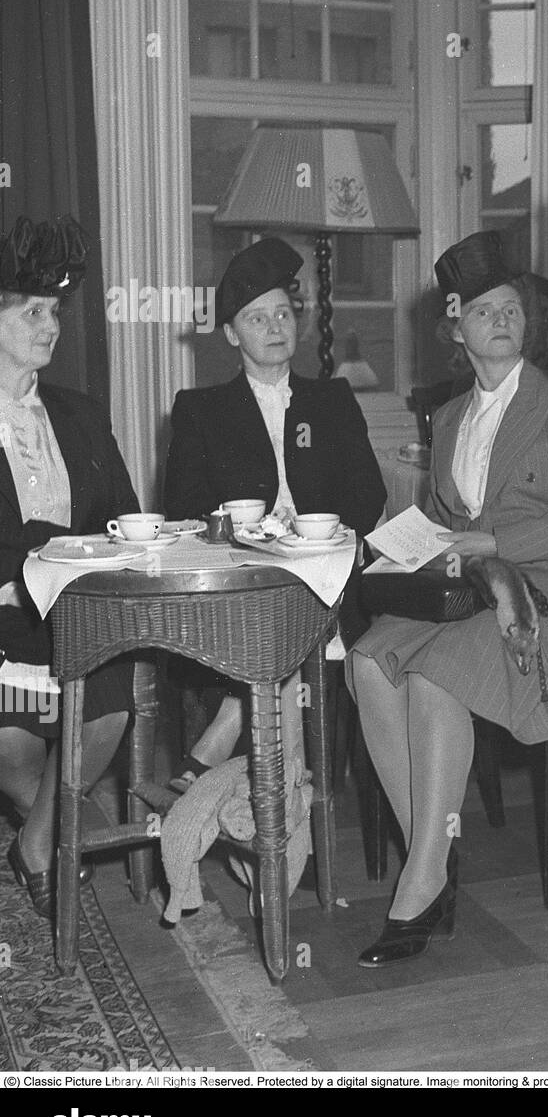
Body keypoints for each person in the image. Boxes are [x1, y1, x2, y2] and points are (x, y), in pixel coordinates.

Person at [348, 231, 548, 967]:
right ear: (455, 328)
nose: (502, 320)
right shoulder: (447, 416)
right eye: (484, 311)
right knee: (367, 663)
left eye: (512, 309)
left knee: (437, 677)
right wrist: (410, 540)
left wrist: (489, 546)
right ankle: (432, 853)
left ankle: (420, 881)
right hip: (470, 590)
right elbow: (444, 518)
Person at [163, 237, 386, 784]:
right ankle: (291, 813)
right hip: (242, 583)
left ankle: (229, 732)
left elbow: (368, 493)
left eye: (283, 313)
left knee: (296, 596)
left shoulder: (331, 401)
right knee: (281, 607)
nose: (275, 327)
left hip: (327, 575)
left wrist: (322, 531)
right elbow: (183, 511)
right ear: (232, 334)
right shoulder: (201, 411)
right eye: (256, 318)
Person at [0, 216, 139, 918]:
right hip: (1, 627)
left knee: (105, 701)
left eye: (54, 312)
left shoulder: (80, 414)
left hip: (76, 619)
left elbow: (122, 515)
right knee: (19, 758)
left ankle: (35, 846)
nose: (50, 325)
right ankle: (55, 829)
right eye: (33, 311)